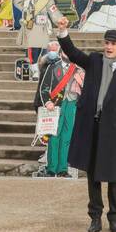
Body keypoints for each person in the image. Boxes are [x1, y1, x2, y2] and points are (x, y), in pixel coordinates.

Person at [55, 20, 116, 232]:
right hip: (90, 126)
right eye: (107, 43)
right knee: (92, 173)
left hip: (114, 128)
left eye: (114, 43)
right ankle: (95, 217)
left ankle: (114, 217)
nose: (109, 47)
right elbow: (73, 53)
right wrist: (63, 31)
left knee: (113, 173)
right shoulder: (94, 61)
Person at [37, 40, 84, 177]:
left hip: (72, 104)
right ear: (61, 53)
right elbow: (44, 88)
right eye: (65, 51)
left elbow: (86, 89)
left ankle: (63, 168)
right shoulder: (53, 67)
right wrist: (47, 102)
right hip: (56, 105)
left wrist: (80, 81)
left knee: (67, 136)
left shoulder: (79, 69)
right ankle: (51, 168)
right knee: (54, 136)